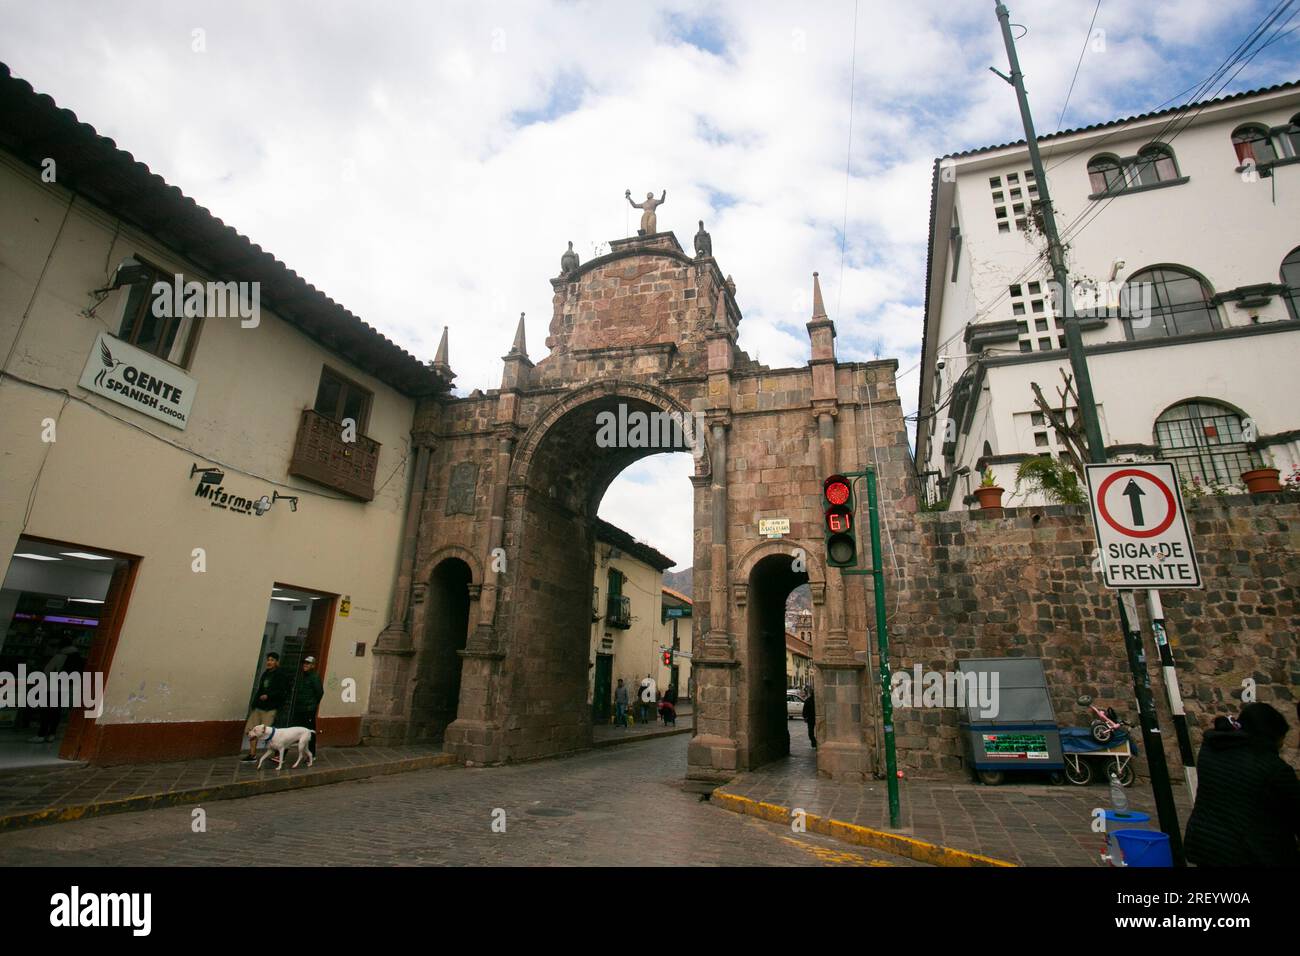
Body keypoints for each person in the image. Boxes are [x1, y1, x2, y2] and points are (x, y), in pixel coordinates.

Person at [1183, 702, 1300, 866]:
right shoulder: (1273, 768)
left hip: (1206, 844)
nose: (1281, 745)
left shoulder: (1211, 749)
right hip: (1247, 854)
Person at [243, 652, 292, 762]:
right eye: (268, 660)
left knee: (269, 732)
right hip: (259, 707)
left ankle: (279, 754)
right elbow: (260, 689)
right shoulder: (265, 674)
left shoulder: (281, 675)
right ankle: (252, 754)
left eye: (272, 660)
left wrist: (269, 696)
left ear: (277, 662)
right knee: (251, 730)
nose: (269, 662)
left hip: (271, 708)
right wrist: (254, 703)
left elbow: (283, 691)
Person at [291, 655, 324, 757]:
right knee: (293, 730)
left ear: (313, 665)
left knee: (309, 732)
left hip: (309, 709)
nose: (305, 665)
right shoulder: (301, 676)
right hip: (299, 708)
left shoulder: (314, 677)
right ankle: (281, 754)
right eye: (304, 663)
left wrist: (313, 704)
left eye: (308, 663)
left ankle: (311, 753)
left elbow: (320, 692)